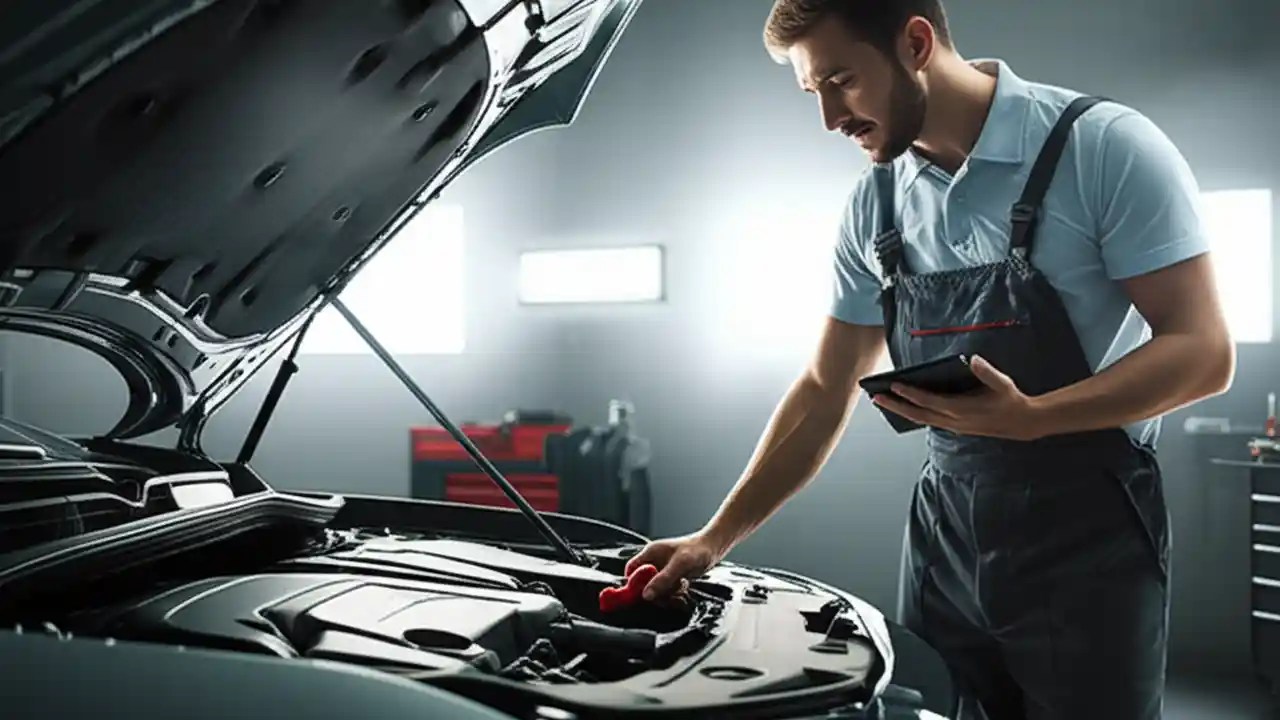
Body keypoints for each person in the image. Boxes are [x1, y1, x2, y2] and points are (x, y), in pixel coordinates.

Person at [624, 1, 1236, 718]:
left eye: (842, 81)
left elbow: (1203, 352)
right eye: (813, 92)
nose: (829, 118)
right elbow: (827, 386)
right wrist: (713, 539)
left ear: (915, 42)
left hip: (1089, 539)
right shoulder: (873, 207)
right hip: (946, 535)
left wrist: (1035, 419)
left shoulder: (1102, 148)